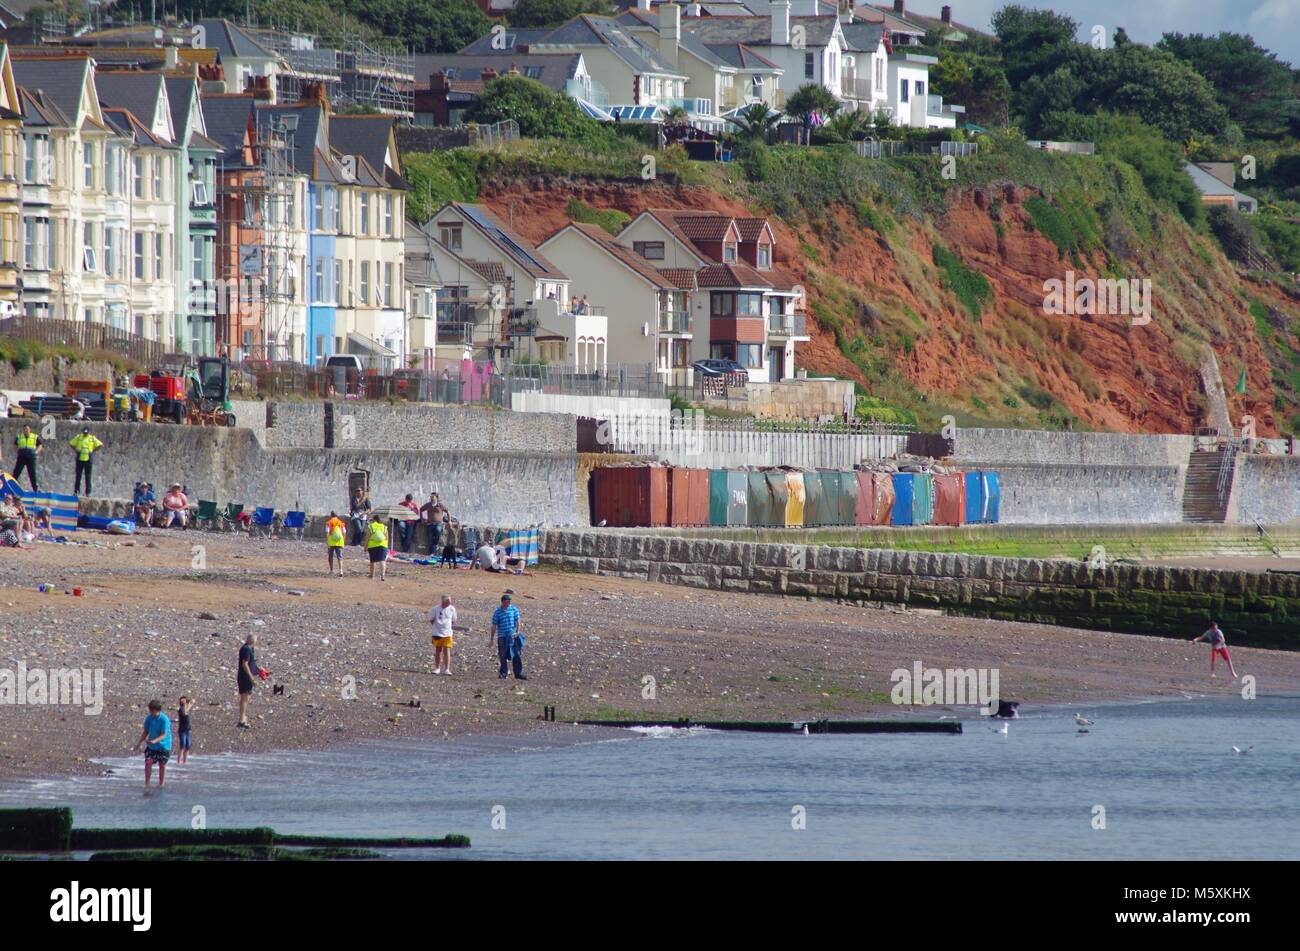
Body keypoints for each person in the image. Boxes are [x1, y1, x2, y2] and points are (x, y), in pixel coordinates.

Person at [132, 699, 172, 787]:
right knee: (148, 762)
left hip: (163, 746)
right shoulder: (149, 718)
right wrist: (139, 743)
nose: (151, 713)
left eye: (152, 711)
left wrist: (154, 741)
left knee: (162, 764)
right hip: (152, 746)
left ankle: (161, 784)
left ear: (156, 710)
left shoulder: (164, 720)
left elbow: (164, 735)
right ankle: (147, 783)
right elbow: (145, 731)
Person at [490, 592, 525, 680]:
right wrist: (492, 638)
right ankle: (503, 673)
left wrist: (518, 631)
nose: (508, 603)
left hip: (512, 636)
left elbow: (517, 620)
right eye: (507, 601)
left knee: (516, 654)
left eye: (509, 601)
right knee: (502, 655)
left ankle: (518, 673)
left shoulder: (513, 609)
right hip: (502, 636)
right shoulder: (497, 612)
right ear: (502, 602)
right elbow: (494, 625)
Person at [237, 634, 266, 728]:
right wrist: (251, 677)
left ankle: (243, 717)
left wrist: (258, 670)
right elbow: (245, 664)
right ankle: (241, 719)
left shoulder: (249, 649)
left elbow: (250, 663)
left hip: (247, 676)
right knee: (244, 697)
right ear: (252, 641)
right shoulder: (246, 649)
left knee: (247, 697)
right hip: (245, 677)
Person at [68, 427, 103, 496]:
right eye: (84, 432)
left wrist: (93, 450)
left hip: (88, 459)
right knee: (78, 476)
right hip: (79, 459)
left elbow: (100, 445)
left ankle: (88, 492)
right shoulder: (78, 437)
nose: (85, 434)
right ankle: (76, 491)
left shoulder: (92, 438)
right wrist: (76, 450)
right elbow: (71, 443)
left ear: (88, 432)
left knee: (88, 476)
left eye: (86, 433)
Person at [430, 594, 458, 675]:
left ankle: (447, 669)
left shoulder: (452, 609)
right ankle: (437, 668)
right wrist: (437, 626)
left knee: (447, 650)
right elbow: (431, 620)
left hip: (448, 633)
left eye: (450, 601)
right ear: (443, 601)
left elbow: (454, 620)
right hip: (437, 632)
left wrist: (447, 627)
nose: (450, 602)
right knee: (438, 650)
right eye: (448, 601)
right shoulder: (435, 609)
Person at [12, 423, 42, 491]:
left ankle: (35, 489)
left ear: (30, 430)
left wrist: (36, 452)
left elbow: (40, 445)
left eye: (27, 429)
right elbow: (15, 445)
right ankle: (11, 487)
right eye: (25, 429)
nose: (26, 430)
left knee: (32, 473)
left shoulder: (35, 436)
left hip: (31, 456)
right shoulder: (19, 436)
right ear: (23, 430)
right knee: (16, 472)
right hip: (21, 456)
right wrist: (17, 451)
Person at [366, 512, 390, 581]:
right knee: (382, 561)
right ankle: (382, 576)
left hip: (372, 546)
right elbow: (387, 538)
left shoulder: (371, 526)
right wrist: (386, 547)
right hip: (383, 545)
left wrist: (365, 547)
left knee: (372, 561)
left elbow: (367, 537)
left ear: (374, 520)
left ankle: (372, 575)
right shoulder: (384, 527)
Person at [325, 510, 347, 576]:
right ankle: (341, 571)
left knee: (330, 557)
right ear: (337, 515)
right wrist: (343, 540)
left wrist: (327, 541)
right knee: (340, 557)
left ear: (331, 515)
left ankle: (331, 571)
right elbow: (344, 532)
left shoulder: (329, 522)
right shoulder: (340, 522)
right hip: (339, 542)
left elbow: (327, 532)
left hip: (331, 542)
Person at [176, 696, 194, 765]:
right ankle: (178, 761)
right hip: (182, 730)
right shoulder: (181, 708)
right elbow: (184, 711)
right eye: (182, 700)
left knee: (188, 745)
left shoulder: (187, 708)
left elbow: (187, 709)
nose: (183, 701)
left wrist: (191, 703)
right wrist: (191, 704)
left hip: (187, 729)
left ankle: (185, 761)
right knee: (182, 744)